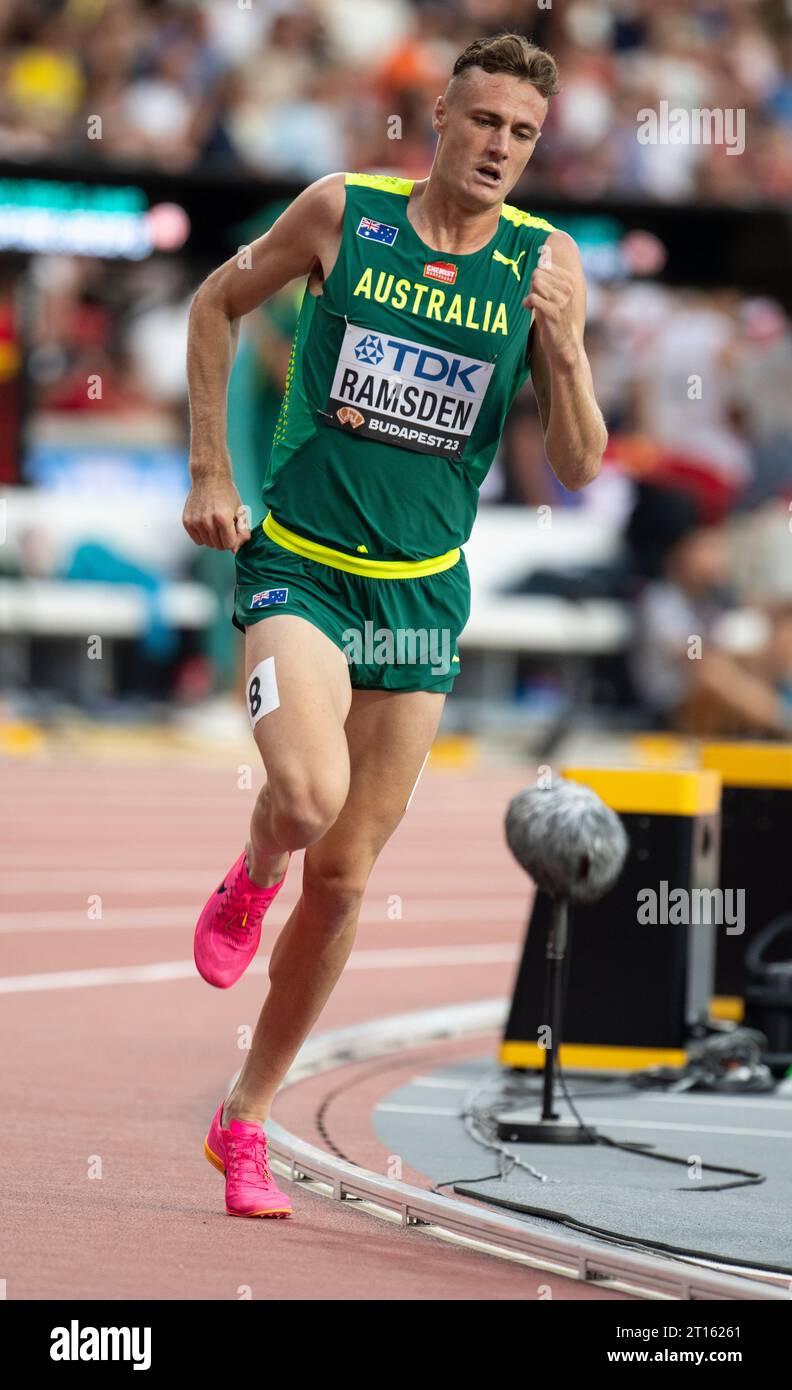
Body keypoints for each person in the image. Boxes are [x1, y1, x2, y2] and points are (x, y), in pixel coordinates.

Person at [183, 32, 606, 1219]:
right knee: (308, 802)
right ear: (441, 116)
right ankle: (255, 862)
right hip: (302, 569)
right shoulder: (344, 214)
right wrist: (215, 469)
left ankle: (247, 1116)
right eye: (483, 123)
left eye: (522, 134)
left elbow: (579, 465)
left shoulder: (546, 262)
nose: (500, 148)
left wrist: (564, 349)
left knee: (352, 874)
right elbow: (217, 305)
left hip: (422, 593)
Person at [627, 482, 792, 737]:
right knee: (714, 672)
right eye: (707, 548)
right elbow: (693, 657)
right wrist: (730, 654)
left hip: (712, 705)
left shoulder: (709, 600)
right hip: (671, 708)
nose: (718, 559)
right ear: (678, 553)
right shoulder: (660, 600)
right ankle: (782, 721)